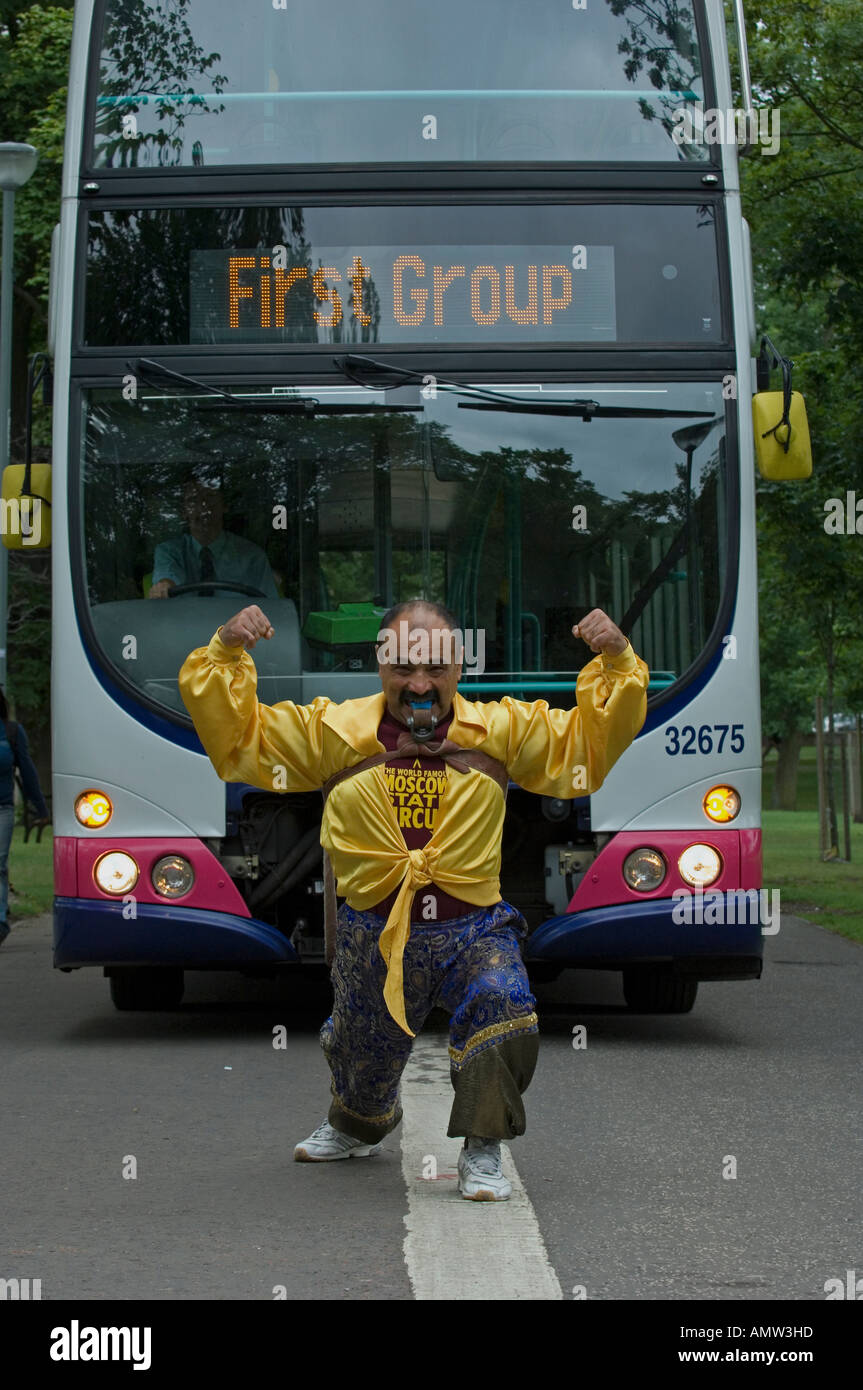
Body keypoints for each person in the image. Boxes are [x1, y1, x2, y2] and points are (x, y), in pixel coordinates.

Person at [178, 600, 648, 1200]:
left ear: (460, 669)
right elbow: (241, 744)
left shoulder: (502, 730)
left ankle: (483, 1148)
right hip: (372, 932)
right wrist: (224, 652)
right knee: (359, 1055)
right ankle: (356, 1125)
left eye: (435, 668)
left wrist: (617, 661)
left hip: (473, 929)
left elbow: (587, 748)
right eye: (402, 667)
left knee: (503, 1003)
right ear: (380, 666)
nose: (419, 684)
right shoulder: (333, 731)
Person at [148, 474, 280, 600]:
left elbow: (271, 608)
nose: (203, 507)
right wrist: (164, 585)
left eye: (210, 497)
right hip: (182, 623)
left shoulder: (252, 557)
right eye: (193, 500)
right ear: (184, 512)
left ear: (224, 505)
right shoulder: (169, 552)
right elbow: (167, 575)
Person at [0, 690, 50, 949]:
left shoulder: (11, 731)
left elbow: (28, 771)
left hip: (2, 808)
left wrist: (41, 808)